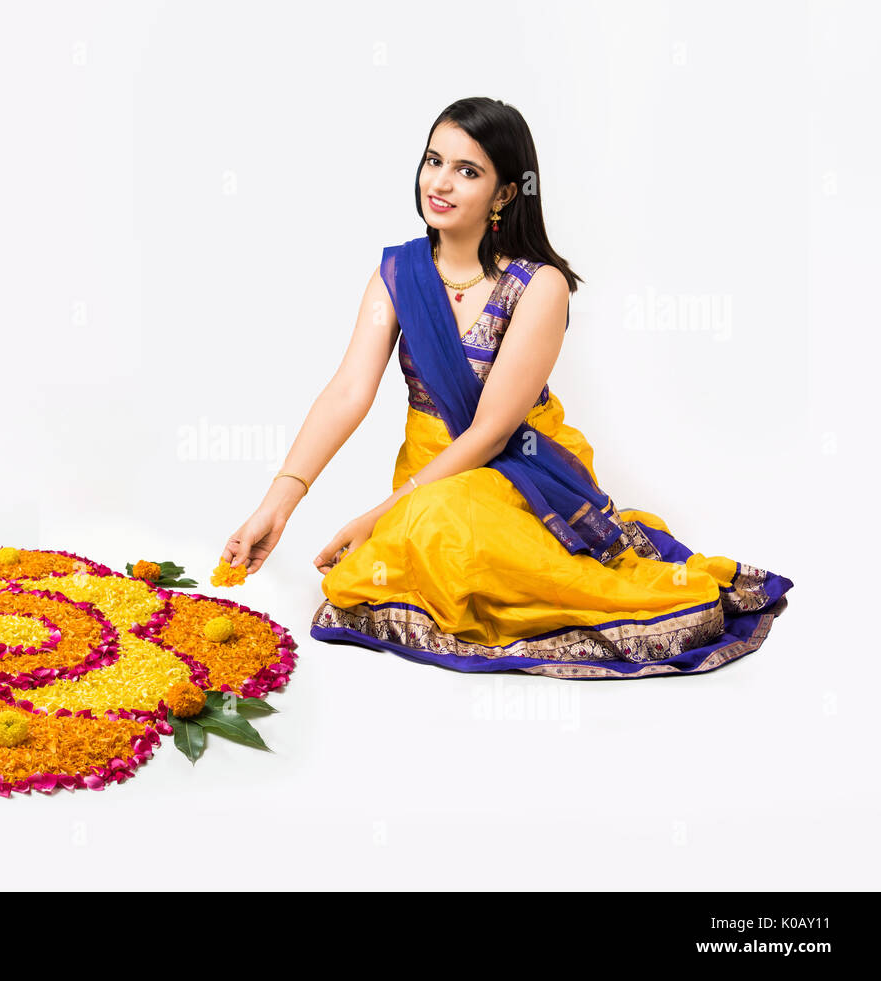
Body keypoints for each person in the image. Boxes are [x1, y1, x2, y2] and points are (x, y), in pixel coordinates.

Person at [219, 97, 793, 679]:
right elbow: (347, 391)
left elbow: (493, 429)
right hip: (429, 473)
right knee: (422, 537)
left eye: (468, 171)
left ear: (503, 194)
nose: (440, 183)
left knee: (439, 524)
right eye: (433, 161)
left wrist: (380, 515)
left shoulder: (539, 286)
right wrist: (276, 507)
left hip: (519, 469)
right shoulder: (399, 273)